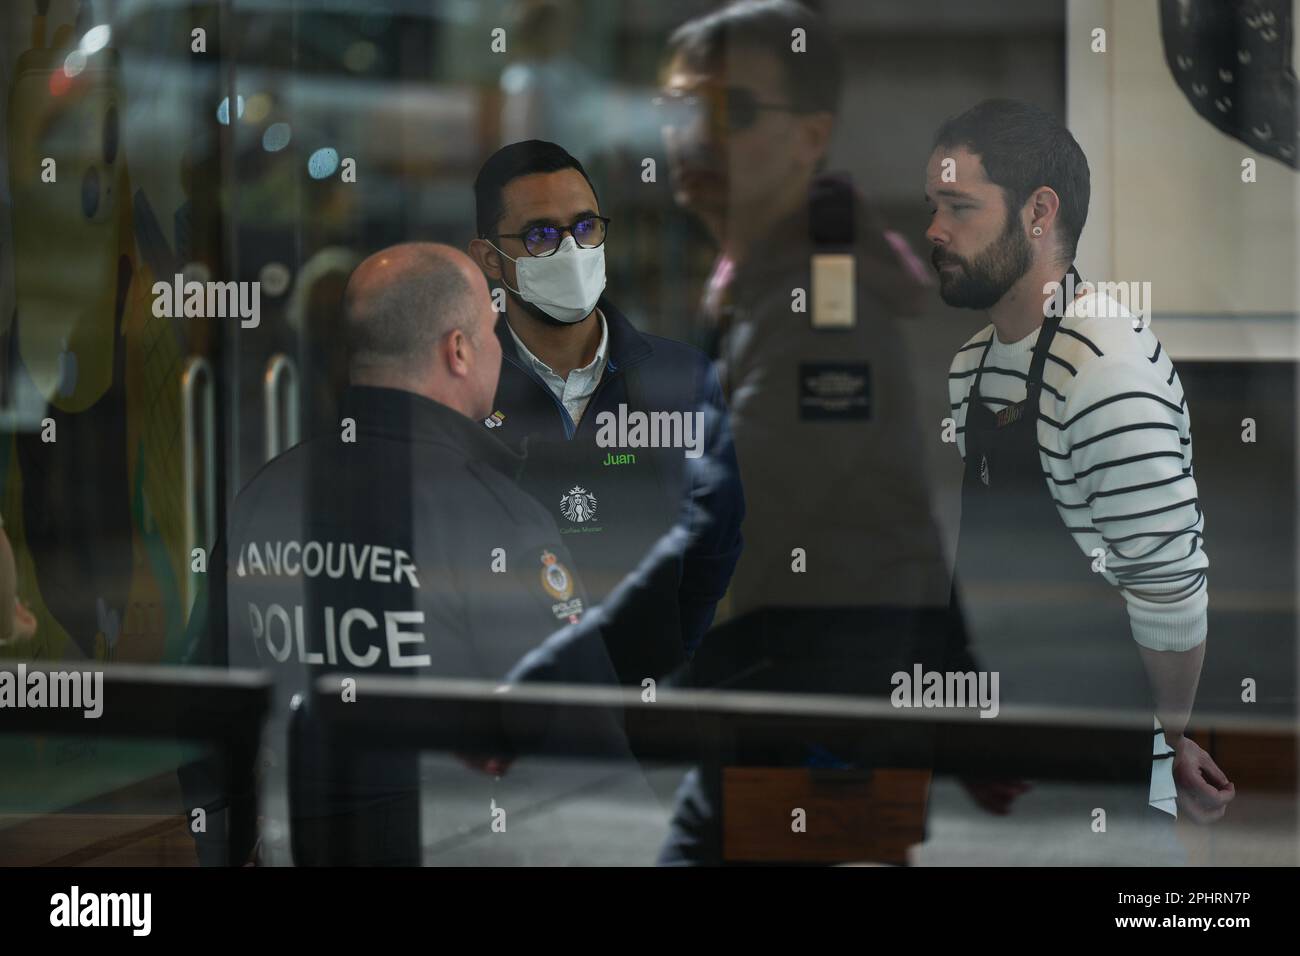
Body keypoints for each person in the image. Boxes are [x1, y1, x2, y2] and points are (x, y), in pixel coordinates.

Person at [181, 243, 631, 866]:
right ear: (459, 350)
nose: (502, 352)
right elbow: (589, 763)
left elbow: (204, 714)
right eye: (494, 333)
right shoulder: (493, 519)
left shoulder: (265, 498)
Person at [655, 0, 948, 865]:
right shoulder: (755, 282)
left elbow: (738, 515)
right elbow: (911, 508)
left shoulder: (819, 305)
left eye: (733, 111)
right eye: (680, 112)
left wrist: (578, 675)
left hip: (810, 720)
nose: (695, 139)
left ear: (810, 136)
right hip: (769, 705)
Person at [927, 98, 1234, 855]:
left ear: (1039, 212)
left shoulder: (1106, 371)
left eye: (959, 207)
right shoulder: (973, 365)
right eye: (933, 205)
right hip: (1002, 769)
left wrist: (1163, 741)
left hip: (1102, 791)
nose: (934, 230)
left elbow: (1169, 596)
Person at [466, 140, 744, 683]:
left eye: (586, 226)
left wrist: (668, 652)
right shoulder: (465, 384)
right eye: (541, 235)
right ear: (490, 259)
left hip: (648, 702)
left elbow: (716, 540)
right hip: (511, 705)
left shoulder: (680, 377)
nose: (571, 249)